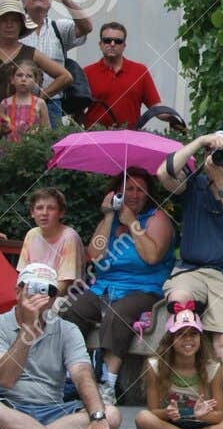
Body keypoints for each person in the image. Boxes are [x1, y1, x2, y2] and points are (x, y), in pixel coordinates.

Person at [155, 130, 223, 388]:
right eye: (211, 154)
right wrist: (201, 141)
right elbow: (163, 173)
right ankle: (173, 386)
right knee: (179, 306)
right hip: (191, 271)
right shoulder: (194, 184)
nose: (216, 158)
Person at [62, 168, 175, 399]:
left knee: (118, 314)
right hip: (103, 286)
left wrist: (132, 222)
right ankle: (71, 378)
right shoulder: (112, 220)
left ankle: (107, 385)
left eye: (140, 190)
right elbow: (94, 254)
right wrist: (109, 217)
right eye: (129, 189)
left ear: (148, 194)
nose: (134, 195)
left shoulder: (157, 218)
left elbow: (151, 256)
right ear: (118, 193)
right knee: (72, 312)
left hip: (143, 288)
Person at [0, 264, 124, 429]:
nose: (41, 296)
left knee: (111, 414)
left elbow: (82, 375)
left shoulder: (67, 330)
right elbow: (5, 379)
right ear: (18, 291)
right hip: (10, 407)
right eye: (33, 288)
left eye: (48, 291)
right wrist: (28, 329)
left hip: (53, 410)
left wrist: (98, 417)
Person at [13, 0, 92, 129]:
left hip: (52, 103)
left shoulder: (58, 27)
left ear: (49, 2)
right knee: (16, 149)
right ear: (23, 3)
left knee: (49, 149)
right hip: (18, 102)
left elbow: (86, 27)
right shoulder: (14, 28)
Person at [83, 22, 172, 129]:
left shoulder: (140, 71)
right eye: (107, 40)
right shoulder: (87, 72)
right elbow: (77, 111)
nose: (112, 44)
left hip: (129, 139)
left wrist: (173, 117)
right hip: (95, 138)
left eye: (118, 41)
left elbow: (155, 107)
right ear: (100, 44)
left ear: (124, 45)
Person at [0, 0, 71, 108]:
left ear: (21, 25)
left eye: (14, 20)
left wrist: (39, 97)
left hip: (22, 118)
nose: (9, 25)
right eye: (4, 20)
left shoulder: (30, 52)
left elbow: (65, 77)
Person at [17, 186, 86, 297]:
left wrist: (40, 301)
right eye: (39, 208)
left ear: (61, 212)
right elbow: (23, 275)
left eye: (51, 208)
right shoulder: (31, 234)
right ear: (32, 212)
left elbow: (65, 284)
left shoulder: (69, 237)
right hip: (34, 293)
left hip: (65, 298)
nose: (44, 213)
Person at [0, 61, 50, 139]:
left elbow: (47, 130)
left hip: (32, 149)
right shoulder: (5, 103)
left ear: (35, 81)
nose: (23, 79)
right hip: (9, 149)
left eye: (29, 76)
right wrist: (3, 129)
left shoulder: (40, 103)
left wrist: (39, 132)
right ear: (12, 79)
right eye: (19, 75)